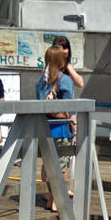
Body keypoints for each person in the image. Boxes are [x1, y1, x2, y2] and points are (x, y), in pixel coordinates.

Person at [36, 45, 76, 204]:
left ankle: (49, 199)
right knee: (60, 166)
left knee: (47, 165)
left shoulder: (41, 80)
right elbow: (71, 107)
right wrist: (74, 127)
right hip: (61, 129)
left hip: (44, 128)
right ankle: (55, 203)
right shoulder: (64, 80)